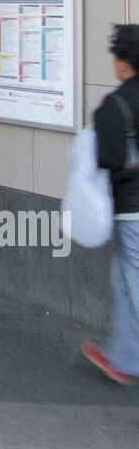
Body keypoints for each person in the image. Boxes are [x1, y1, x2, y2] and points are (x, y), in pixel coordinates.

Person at [81, 24, 139, 383]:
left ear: (121, 63)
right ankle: (124, 358)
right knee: (123, 281)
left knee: (132, 284)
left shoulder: (115, 106)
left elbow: (108, 160)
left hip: (133, 212)